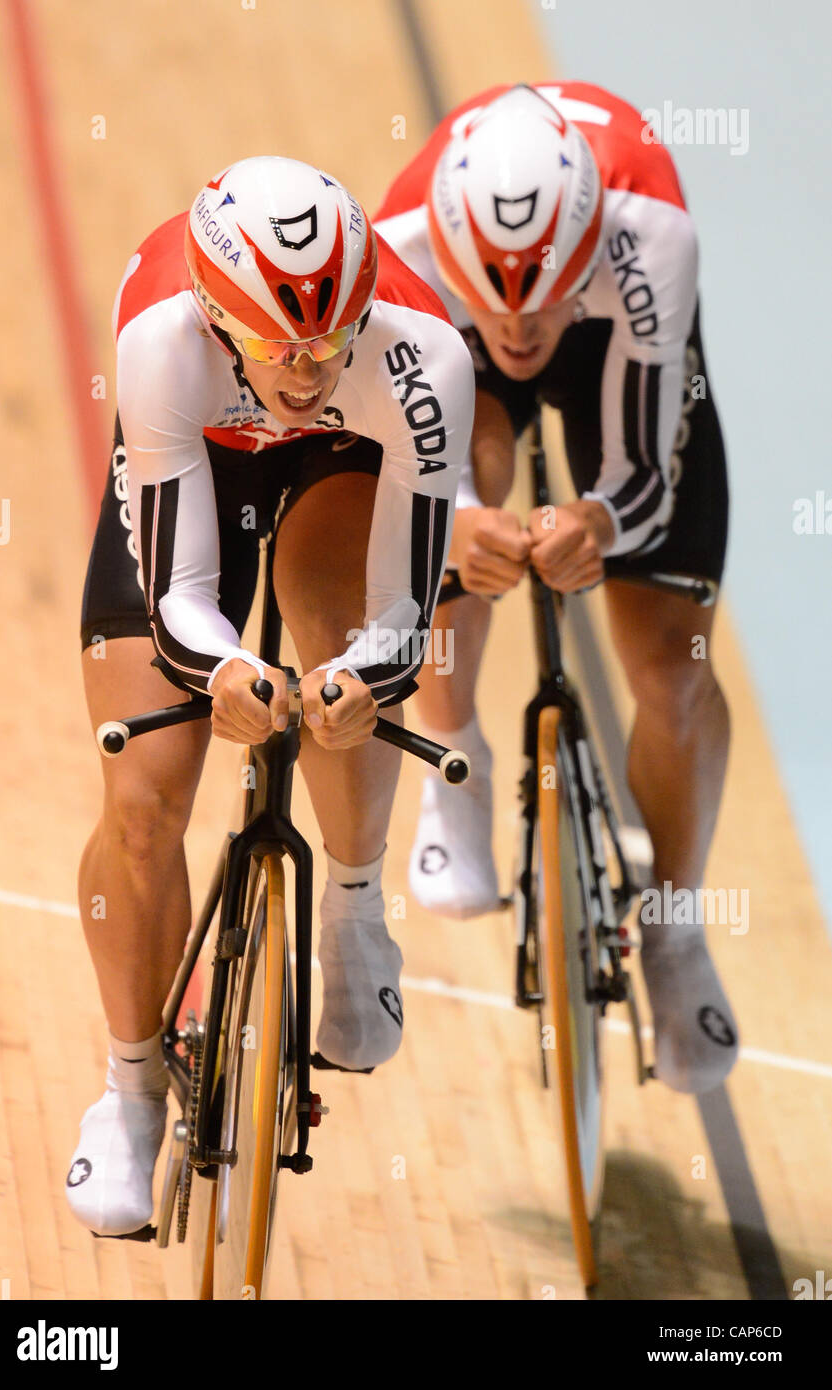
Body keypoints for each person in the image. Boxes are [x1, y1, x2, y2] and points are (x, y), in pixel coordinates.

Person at [66, 155, 474, 1235]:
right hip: (200, 451)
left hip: (346, 458)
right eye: (279, 347)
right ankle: (130, 1088)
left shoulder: (421, 354)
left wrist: (356, 676)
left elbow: (405, 604)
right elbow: (179, 595)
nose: (303, 369)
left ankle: (351, 910)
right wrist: (224, 672)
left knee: (340, 642)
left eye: (327, 342)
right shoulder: (161, 338)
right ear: (214, 314)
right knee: (147, 795)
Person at [375, 82, 738, 1095]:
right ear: (450, 249)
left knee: (669, 667)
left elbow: (647, 469)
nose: (520, 322)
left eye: (540, 293)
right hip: (460, 365)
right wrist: (453, 523)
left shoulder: (646, 232)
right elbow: (406, 460)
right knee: (465, 499)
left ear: (586, 243)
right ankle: (458, 765)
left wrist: (600, 521)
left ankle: (672, 928)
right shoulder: (398, 243)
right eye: (496, 293)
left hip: (613, 336)